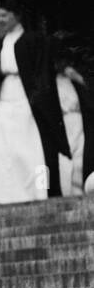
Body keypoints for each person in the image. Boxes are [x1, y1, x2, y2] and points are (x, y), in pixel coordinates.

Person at [0, 0, 68, 203]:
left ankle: (40, 191)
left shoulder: (33, 40)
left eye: (5, 15)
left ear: (17, 15)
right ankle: (8, 194)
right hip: (5, 98)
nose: (0, 20)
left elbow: (41, 76)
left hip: (27, 100)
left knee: (32, 150)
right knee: (3, 147)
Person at [52, 31, 93, 197]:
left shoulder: (75, 78)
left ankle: (77, 192)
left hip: (78, 122)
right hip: (62, 123)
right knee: (64, 162)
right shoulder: (51, 81)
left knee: (80, 159)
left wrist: (76, 77)